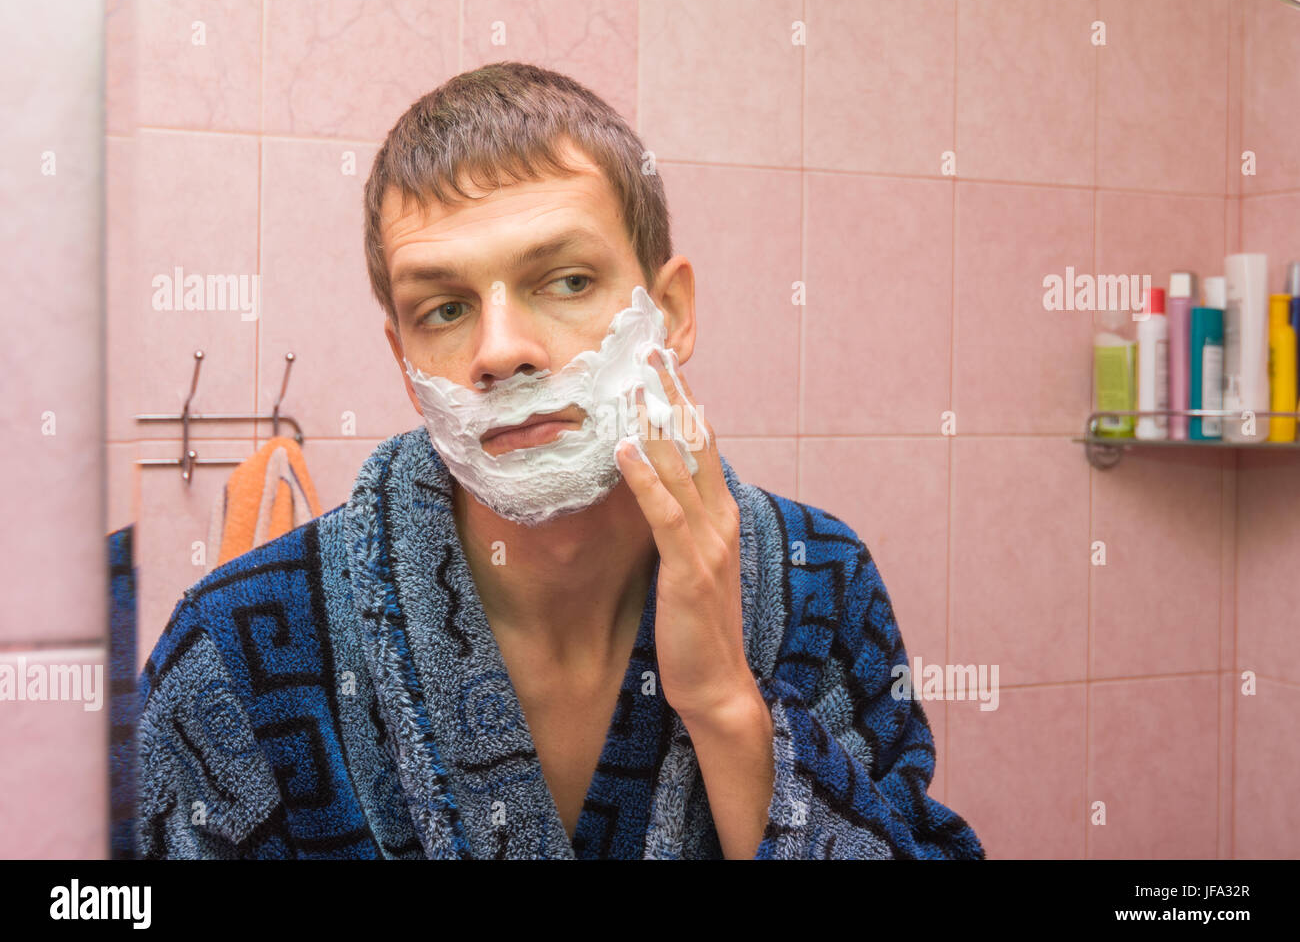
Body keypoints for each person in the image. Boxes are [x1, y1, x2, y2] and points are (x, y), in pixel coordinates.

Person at [133, 61, 985, 860]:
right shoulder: (225, 653)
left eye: (567, 281)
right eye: (444, 308)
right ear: (405, 363)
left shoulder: (820, 582)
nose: (500, 351)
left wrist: (728, 705)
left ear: (673, 310)